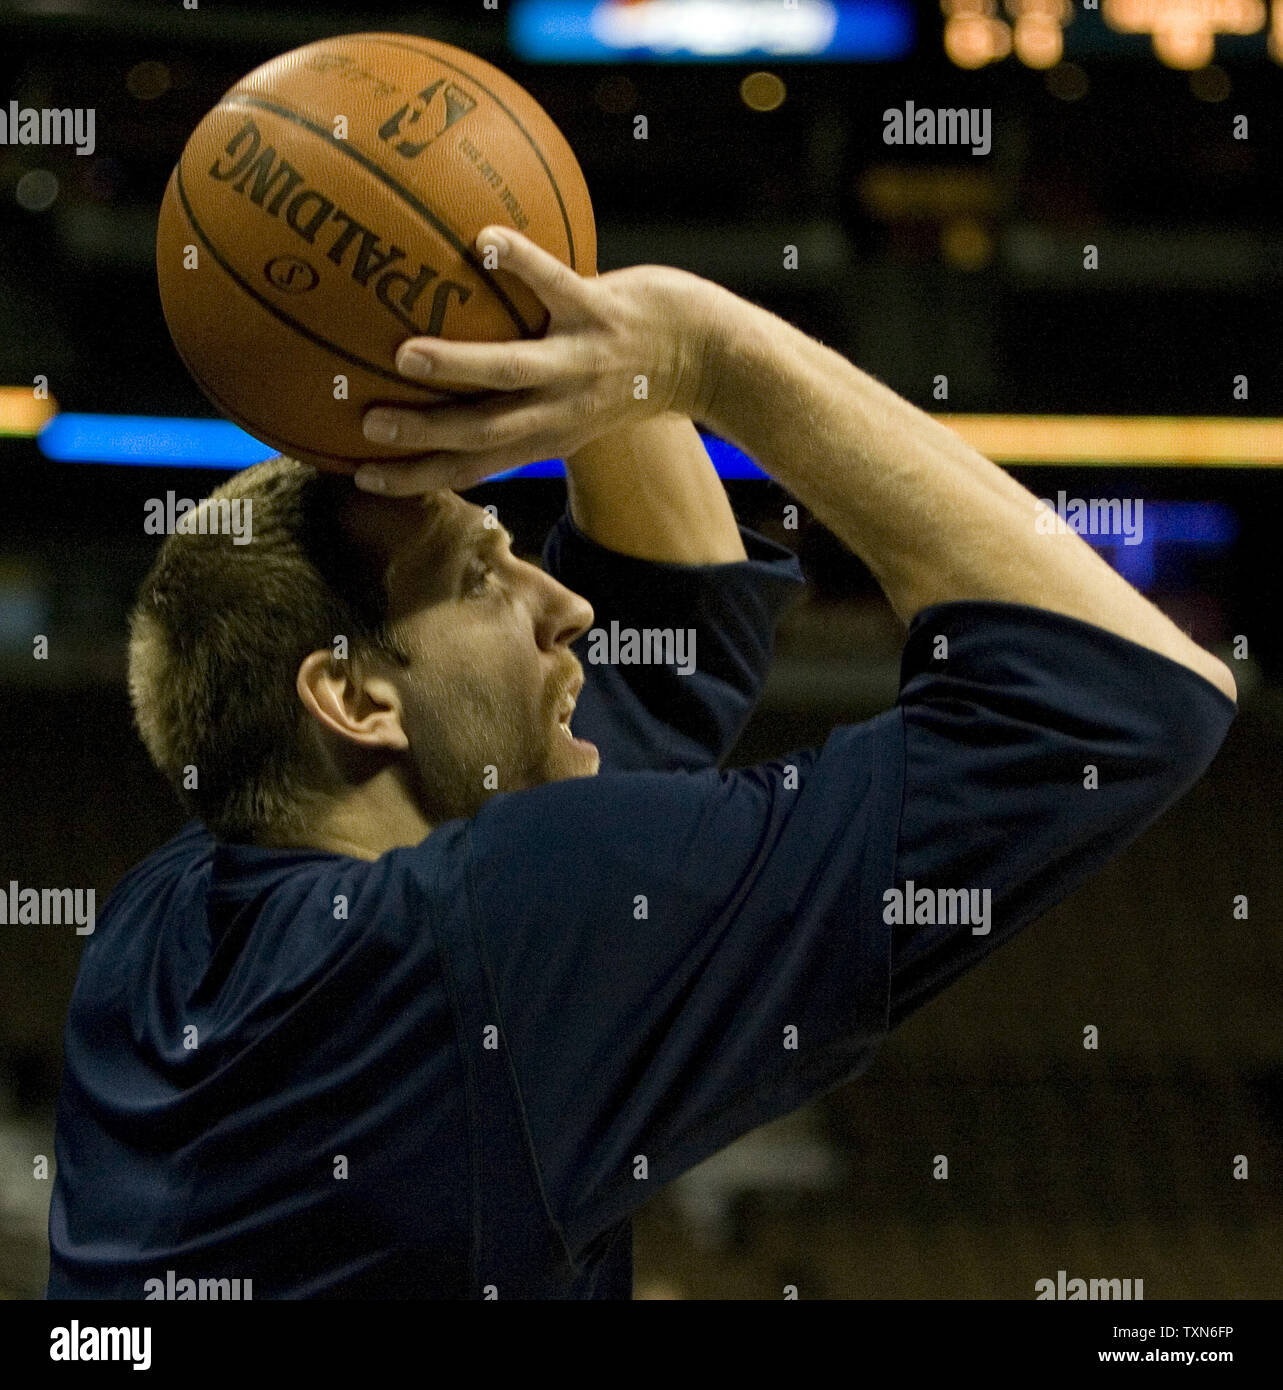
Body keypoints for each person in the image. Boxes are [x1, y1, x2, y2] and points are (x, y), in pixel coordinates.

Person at [47, 228, 1236, 1299]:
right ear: (353, 697)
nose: (560, 599)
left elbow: (677, 622)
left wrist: (580, 341)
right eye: (481, 577)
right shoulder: (497, 935)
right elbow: (1122, 693)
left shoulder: (167, 923)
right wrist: (705, 352)